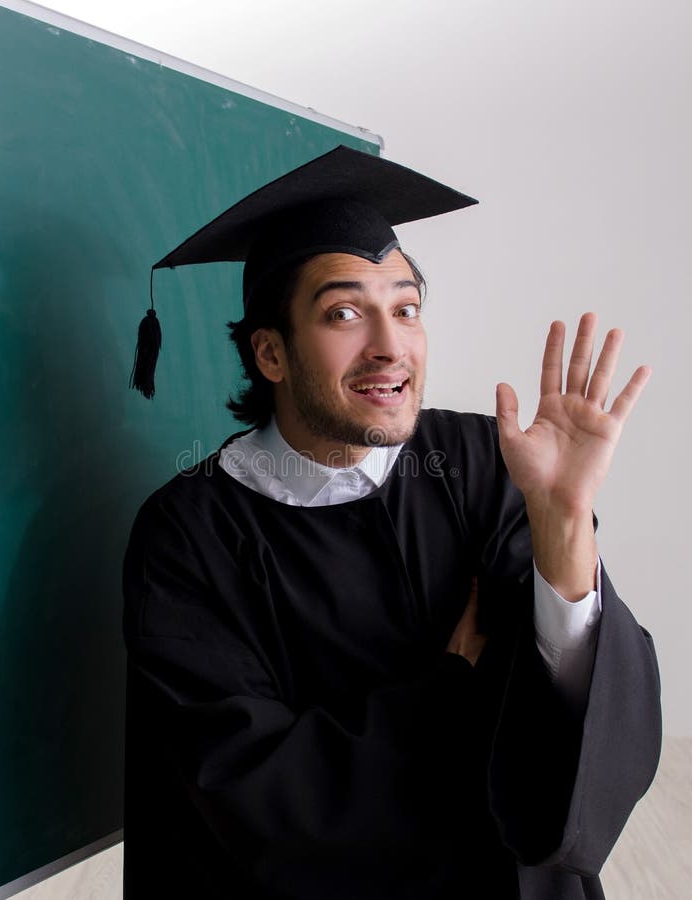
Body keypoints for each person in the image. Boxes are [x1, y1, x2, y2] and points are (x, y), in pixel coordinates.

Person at [122, 146, 661, 899]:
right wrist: (444, 694)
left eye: (405, 308)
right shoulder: (191, 533)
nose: (389, 345)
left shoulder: (487, 460)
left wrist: (565, 521)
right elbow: (244, 795)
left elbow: (576, 734)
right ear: (270, 353)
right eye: (344, 313)